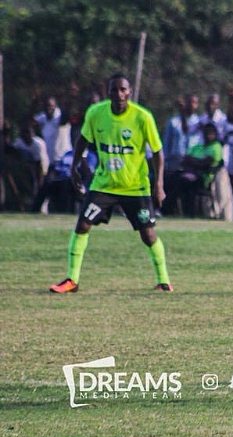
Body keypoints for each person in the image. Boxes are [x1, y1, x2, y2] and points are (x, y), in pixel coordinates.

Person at [49, 74, 172, 293]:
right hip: (104, 185)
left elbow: (157, 152)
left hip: (135, 186)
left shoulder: (142, 117)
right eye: (114, 90)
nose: (119, 94)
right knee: (82, 225)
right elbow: (82, 140)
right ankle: (72, 280)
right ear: (108, 93)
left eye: (123, 89)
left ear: (129, 92)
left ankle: (164, 281)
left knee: (148, 234)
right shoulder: (96, 113)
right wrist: (74, 167)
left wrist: (159, 184)